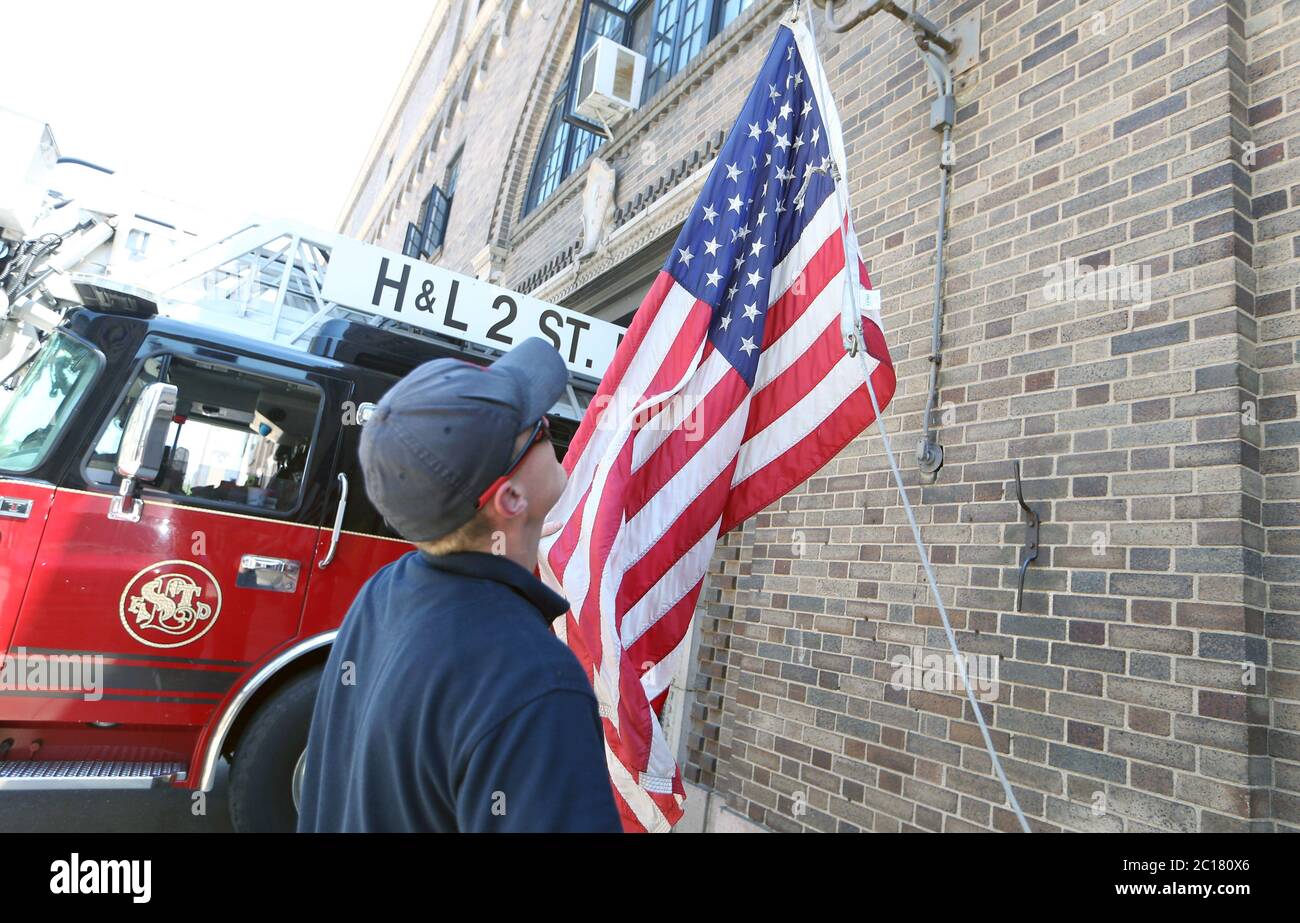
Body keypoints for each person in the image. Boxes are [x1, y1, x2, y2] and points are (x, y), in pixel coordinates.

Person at [296, 338, 621, 833]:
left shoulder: (381, 594)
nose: (551, 432)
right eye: (538, 430)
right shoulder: (536, 684)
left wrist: (517, 550)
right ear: (509, 499)